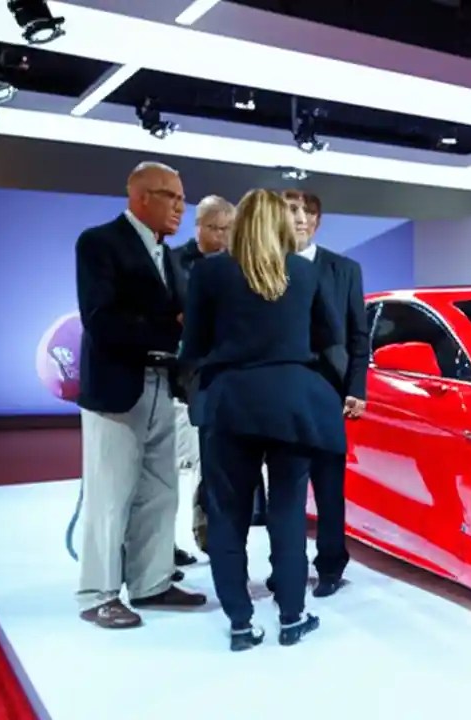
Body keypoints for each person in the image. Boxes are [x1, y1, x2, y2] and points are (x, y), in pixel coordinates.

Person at [179, 188, 346, 650]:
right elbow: (330, 335)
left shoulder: (210, 272)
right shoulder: (304, 271)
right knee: (288, 512)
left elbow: (192, 345)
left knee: (227, 515)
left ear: (239, 223)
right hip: (292, 403)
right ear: (279, 224)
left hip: (230, 404)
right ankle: (292, 617)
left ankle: (240, 624)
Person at [73, 161, 207, 629]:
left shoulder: (168, 256)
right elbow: (100, 318)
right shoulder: (98, 243)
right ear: (141, 197)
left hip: (161, 383)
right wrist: (165, 330)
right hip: (116, 386)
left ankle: (151, 583)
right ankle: (98, 593)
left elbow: (177, 321)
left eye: (182, 197)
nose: (180, 207)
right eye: (171, 196)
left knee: (161, 491)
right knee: (110, 495)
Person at [265, 189, 367, 599]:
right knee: (285, 492)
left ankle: (330, 566)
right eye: (293, 211)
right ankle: (285, 569)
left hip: (328, 393)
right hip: (281, 394)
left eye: (309, 212)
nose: (301, 218)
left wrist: (356, 388)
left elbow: (359, 335)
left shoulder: (344, 269)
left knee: (329, 488)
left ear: (318, 221)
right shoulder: (265, 266)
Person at [171, 194, 234, 555]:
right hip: (185, 380)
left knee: (212, 465)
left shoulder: (239, 264)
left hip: (225, 378)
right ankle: (160, 545)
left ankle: (208, 531)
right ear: (198, 226)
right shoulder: (176, 262)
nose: (221, 236)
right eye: (214, 228)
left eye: (227, 229)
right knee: (173, 471)